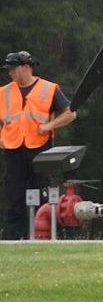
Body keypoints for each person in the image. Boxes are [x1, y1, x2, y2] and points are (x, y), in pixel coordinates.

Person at [2, 51, 76, 240]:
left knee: (42, 195)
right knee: (14, 196)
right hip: (13, 149)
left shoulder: (48, 89)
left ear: (26, 67)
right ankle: (14, 239)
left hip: (40, 149)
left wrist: (50, 126)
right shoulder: (4, 92)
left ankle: (43, 236)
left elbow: (70, 113)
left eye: (13, 69)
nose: (10, 73)